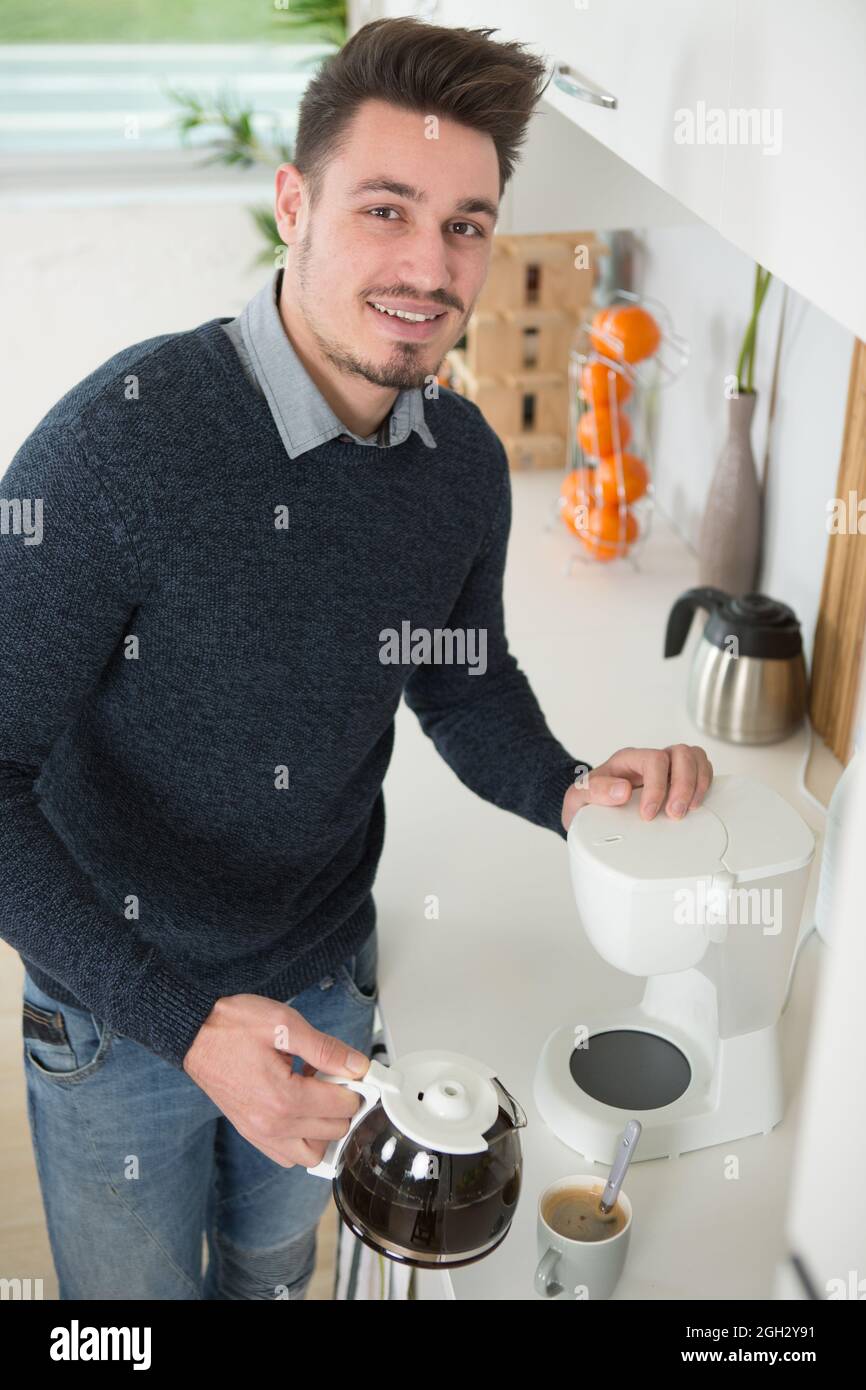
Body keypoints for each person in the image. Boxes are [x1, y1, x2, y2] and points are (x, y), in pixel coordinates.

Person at [0, 18, 712, 1300]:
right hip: (118, 1015)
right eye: (386, 208)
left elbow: (457, 674)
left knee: (274, 1274)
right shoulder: (119, 451)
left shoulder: (461, 465)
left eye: (465, 224)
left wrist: (567, 787)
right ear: (294, 203)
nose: (426, 266)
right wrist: (182, 1025)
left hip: (327, 984)